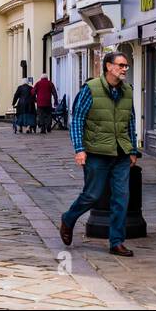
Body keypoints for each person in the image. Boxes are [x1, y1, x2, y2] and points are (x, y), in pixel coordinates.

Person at [58, 52, 139, 257]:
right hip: (96, 152)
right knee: (92, 195)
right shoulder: (91, 89)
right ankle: (68, 219)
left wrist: (132, 150)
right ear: (108, 67)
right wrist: (79, 149)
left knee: (121, 198)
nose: (124, 69)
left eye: (126, 66)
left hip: (121, 152)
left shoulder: (127, 91)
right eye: (120, 65)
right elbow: (77, 120)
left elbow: (130, 121)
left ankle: (116, 242)